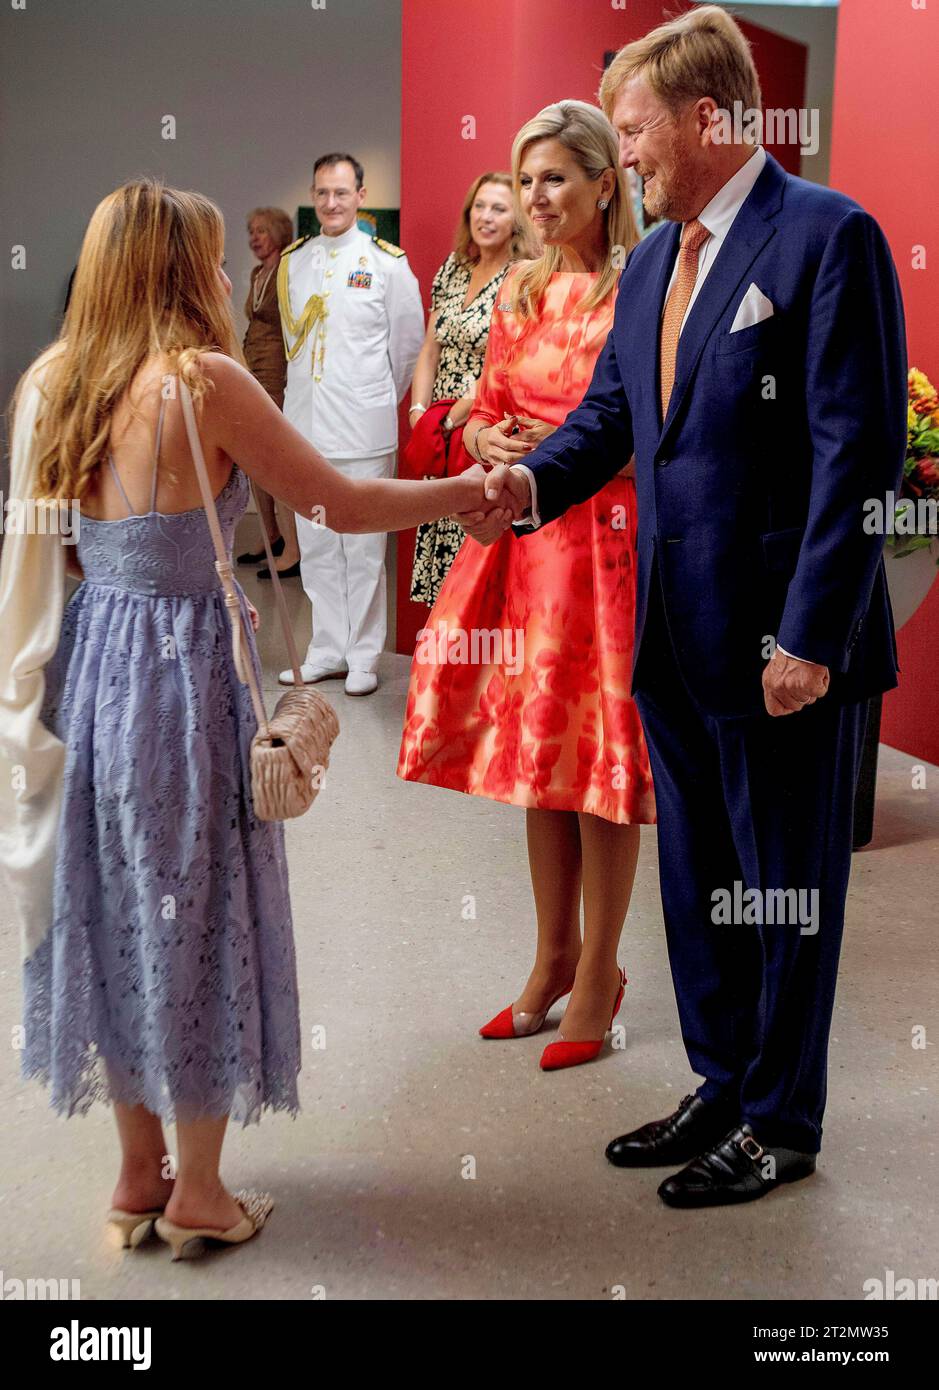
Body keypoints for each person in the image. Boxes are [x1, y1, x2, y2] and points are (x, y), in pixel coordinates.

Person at [0, 177, 512, 1258]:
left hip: (90, 671)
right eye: (214, 257)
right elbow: (341, 502)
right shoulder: (204, 380)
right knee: (201, 915)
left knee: (117, 910)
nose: (231, 275)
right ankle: (200, 1196)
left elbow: (45, 556)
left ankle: (137, 1176)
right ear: (179, 267)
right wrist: (463, 490)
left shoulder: (54, 383)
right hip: (184, 673)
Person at [480, 7, 907, 1206]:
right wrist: (523, 485)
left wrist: (813, 637)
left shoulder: (830, 237)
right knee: (701, 884)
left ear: (710, 118)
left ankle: (781, 1121)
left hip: (783, 647)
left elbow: (860, 452)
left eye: (632, 131)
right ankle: (721, 1083)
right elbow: (619, 418)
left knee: (783, 888)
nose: (622, 159)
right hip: (672, 634)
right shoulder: (657, 260)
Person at [398, 101, 655, 1071]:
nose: (537, 198)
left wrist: (553, 455)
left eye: (555, 178)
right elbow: (485, 404)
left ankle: (600, 971)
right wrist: (483, 439)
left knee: (601, 772)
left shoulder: (640, 283)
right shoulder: (516, 292)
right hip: (524, 543)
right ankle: (549, 959)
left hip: (608, 549)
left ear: (604, 182)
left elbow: (644, 425)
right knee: (538, 766)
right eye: (525, 179)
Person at [279, 152, 425, 696]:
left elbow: (407, 347)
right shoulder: (294, 261)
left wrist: (375, 396)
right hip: (304, 428)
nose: (331, 203)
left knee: (363, 547)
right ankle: (326, 649)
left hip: (363, 428)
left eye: (341, 192)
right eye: (322, 193)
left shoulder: (386, 262)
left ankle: (364, 655)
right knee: (316, 545)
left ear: (361, 196)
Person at [408, 172, 529, 607]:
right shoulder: (453, 267)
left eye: (499, 208)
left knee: (475, 543)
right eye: (480, 206)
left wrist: (453, 417)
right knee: (440, 527)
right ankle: (444, 660)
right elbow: (430, 346)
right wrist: (420, 412)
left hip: (485, 424)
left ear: (517, 218)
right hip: (439, 425)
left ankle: (476, 661)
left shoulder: (524, 277)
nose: (487, 216)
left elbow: (509, 363)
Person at [235, 205, 301, 579]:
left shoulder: (288, 269)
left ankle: (292, 549)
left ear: (278, 232)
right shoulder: (258, 272)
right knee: (254, 459)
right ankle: (270, 535)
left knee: (272, 455)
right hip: (252, 363)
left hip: (278, 370)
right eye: (251, 230)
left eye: (261, 230)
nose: (255, 237)